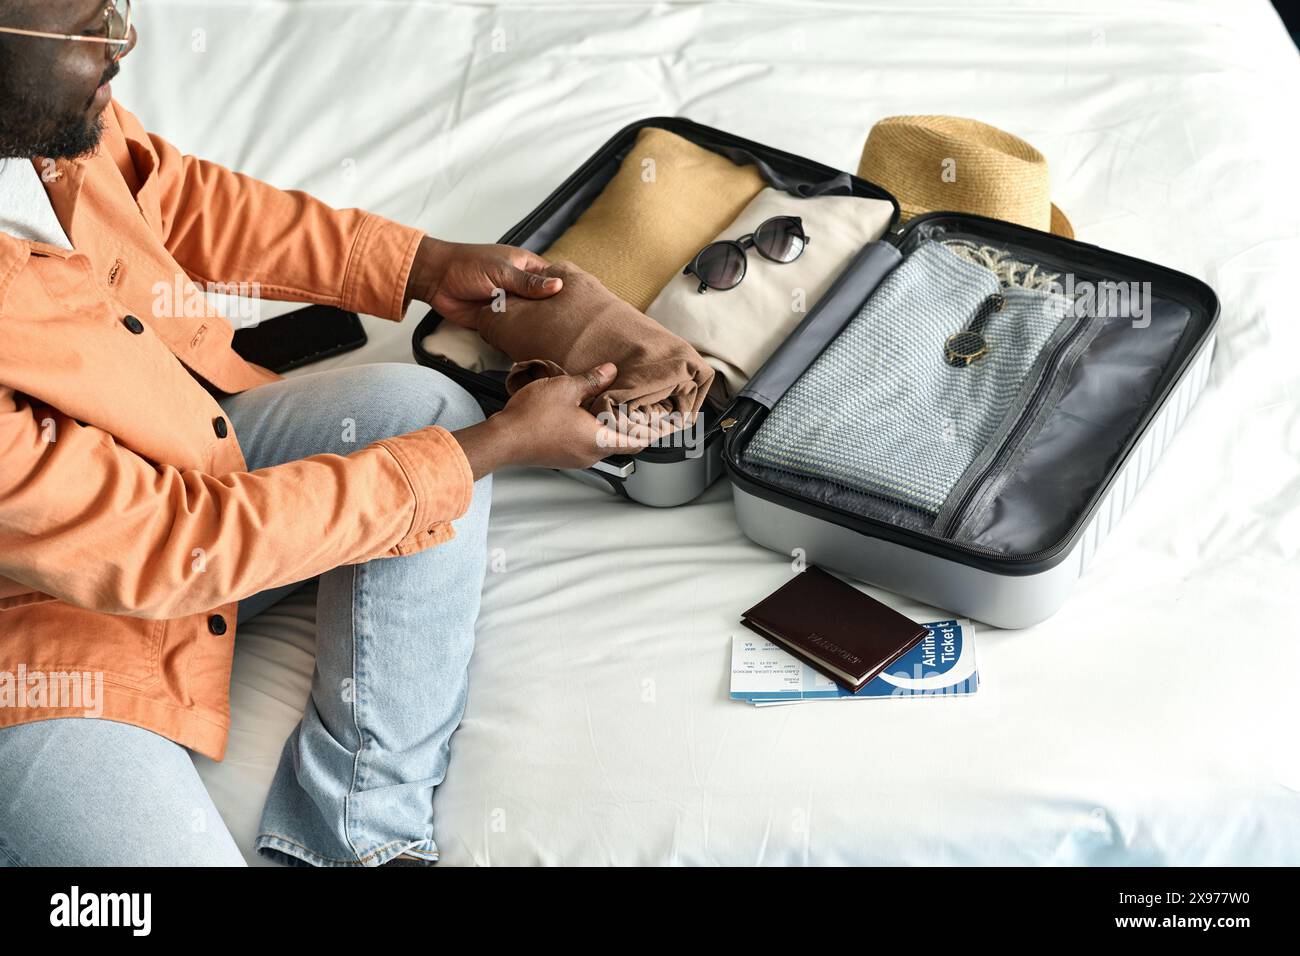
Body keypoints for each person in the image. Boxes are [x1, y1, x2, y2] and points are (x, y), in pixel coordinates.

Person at [0, 0, 641, 866]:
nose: (122, 39)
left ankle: (360, 838)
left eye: (114, 6)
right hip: (39, 654)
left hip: (179, 465)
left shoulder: (41, 112)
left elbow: (172, 196)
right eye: (85, 27)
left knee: (422, 410)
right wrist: (493, 449)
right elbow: (170, 546)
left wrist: (422, 266)